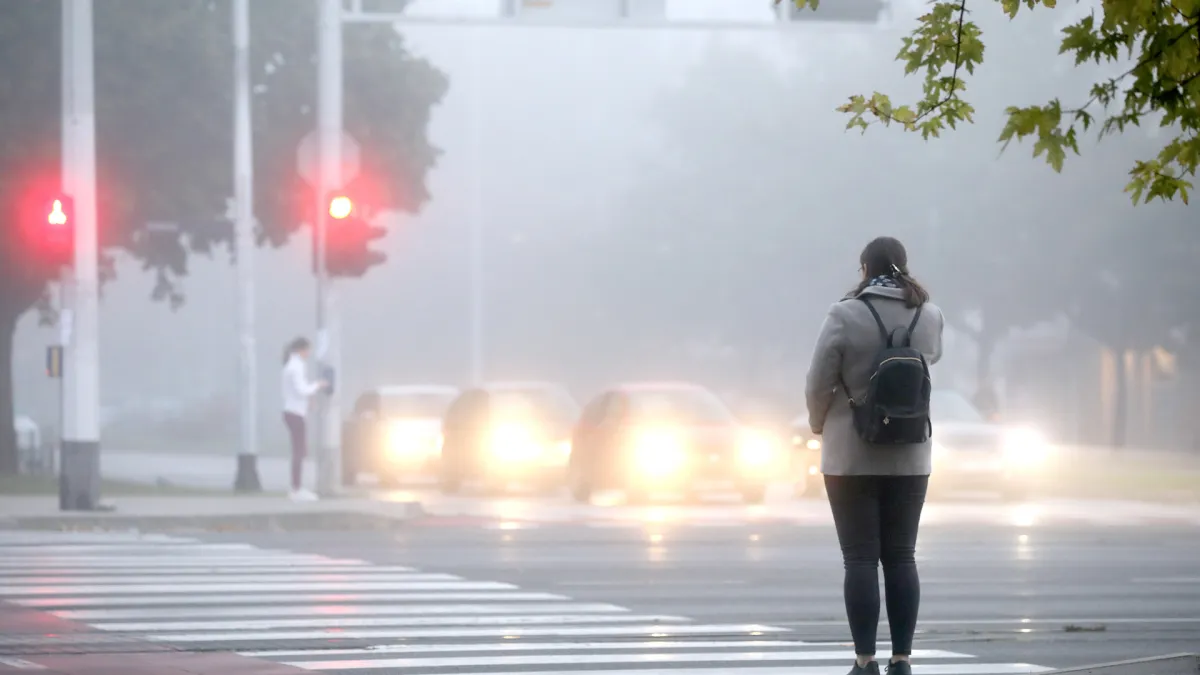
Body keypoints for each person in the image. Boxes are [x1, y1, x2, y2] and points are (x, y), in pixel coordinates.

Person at [804, 236, 945, 675]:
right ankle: (901, 659)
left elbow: (818, 379)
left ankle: (864, 660)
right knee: (902, 555)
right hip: (910, 452)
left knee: (860, 558)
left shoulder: (844, 314)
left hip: (851, 454)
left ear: (864, 267)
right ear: (904, 265)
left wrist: (819, 422)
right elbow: (932, 357)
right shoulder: (929, 313)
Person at [281, 337, 326, 501]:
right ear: (300, 350)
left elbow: (298, 390)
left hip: (295, 412)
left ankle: (296, 487)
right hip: (294, 413)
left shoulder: (295, 365)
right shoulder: (295, 367)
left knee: (300, 451)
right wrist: (318, 385)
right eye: (307, 350)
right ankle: (296, 489)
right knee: (299, 452)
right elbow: (301, 390)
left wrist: (309, 399)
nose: (309, 353)